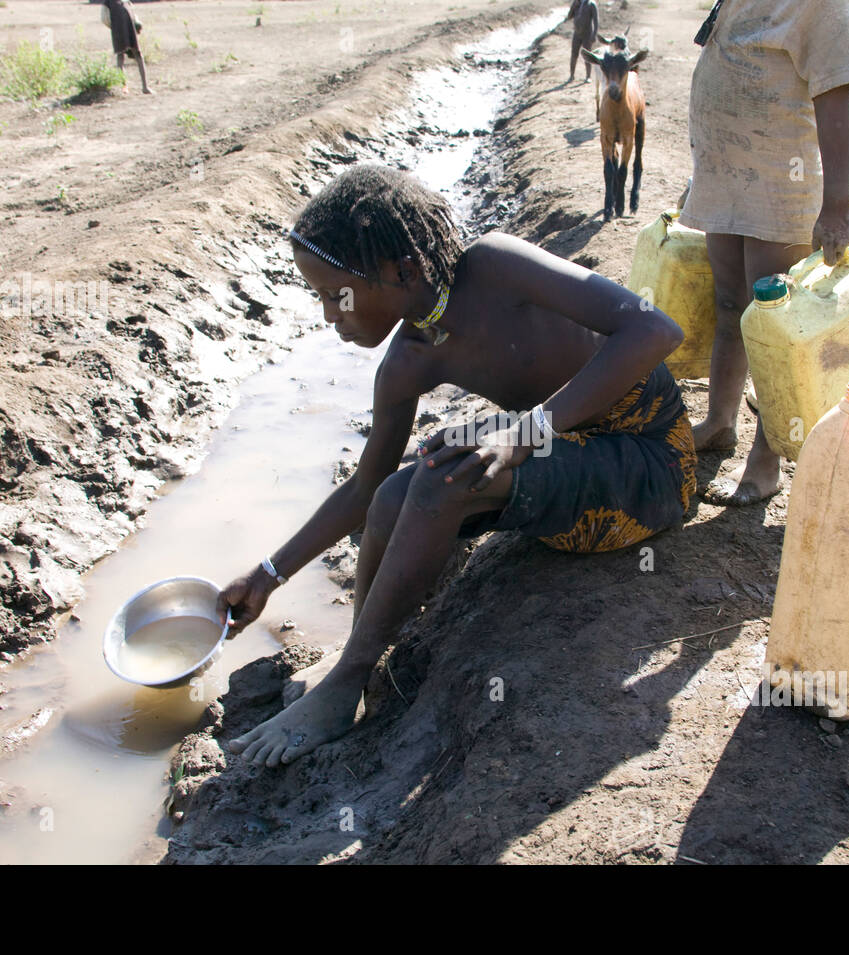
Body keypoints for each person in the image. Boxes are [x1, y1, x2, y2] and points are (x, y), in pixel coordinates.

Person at [218, 165, 697, 767]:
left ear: (402, 271)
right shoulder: (408, 362)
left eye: (334, 294)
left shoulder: (495, 268)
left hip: (648, 476)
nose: (327, 315)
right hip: (573, 471)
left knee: (448, 472)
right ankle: (355, 658)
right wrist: (267, 575)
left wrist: (527, 432)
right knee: (402, 490)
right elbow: (366, 488)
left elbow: (656, 329)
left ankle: (346, 682)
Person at [680, 0, 849, 504]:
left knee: (773, 324)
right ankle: (720, 421)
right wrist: (702, 175)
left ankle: (767, 461)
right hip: (727, 181)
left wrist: (837, 206)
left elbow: (836, 95)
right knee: (729, 306)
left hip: (779, 187)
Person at [102, 0, 152, 95]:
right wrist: (114, 27)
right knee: (120, 56)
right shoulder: (109, 2)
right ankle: (124, 86)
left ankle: (145, 87)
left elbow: (133, 14)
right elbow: (105, 18)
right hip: (118, 30)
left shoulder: (126, 1)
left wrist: (137, 24)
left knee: (138, 55)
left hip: (130, 30)